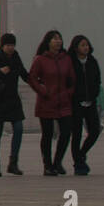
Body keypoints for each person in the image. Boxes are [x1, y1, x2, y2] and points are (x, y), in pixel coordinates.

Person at [0, 33, 31, 176]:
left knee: (19, 129)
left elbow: (24, 75)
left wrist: (38, 84)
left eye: (12, 45)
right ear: (2, 46)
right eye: (8, 45)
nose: (10, 48)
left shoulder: (16, 58)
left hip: (13, 100)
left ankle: (13, 163)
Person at [28, 30, 74, 176]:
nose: (58, 41)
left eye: (59, 39)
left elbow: (73, 80)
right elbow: (32, 79)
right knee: (47, 135)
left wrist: (68, 93)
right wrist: (43, 91)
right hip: (46, 102)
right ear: (48, 42)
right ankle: (47, 165)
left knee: (66, 132)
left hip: (63, 102)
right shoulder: (40, 60)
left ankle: (57, 162)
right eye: (54, 39)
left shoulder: (66, 59)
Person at [67, 35, 102, 175]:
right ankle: (79, 164)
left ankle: (81, 155)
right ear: (76, 47)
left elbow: (97, 80)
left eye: (87, 44)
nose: (85, 47)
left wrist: (94, 95)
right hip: (75, 103)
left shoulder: (92, 61)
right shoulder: (70, 62)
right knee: (76, 134)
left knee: (94, 131)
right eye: (82, 45)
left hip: (90, 103)